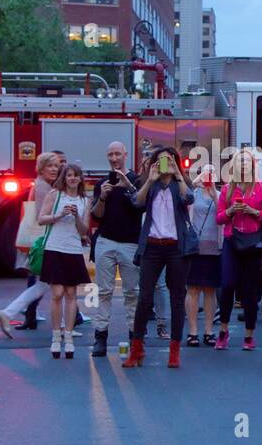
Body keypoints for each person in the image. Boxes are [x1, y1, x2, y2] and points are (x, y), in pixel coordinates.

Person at [126, 147, 196, 369]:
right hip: (153, 247)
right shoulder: (150, 184)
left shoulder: (180, 184)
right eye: (161, 160)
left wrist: (178, 175)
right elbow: (136, 202)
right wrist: (150, 179)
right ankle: (137, 348)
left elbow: (189, 199)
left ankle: (175, 350)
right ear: (154, 163)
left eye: (170, 160)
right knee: (144, 297)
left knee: (177, 297)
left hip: (176, 247)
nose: (165, 164)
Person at [87, 142, 147, 358]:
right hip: (106, 241)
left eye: (117, 154)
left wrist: (127, 186)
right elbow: (97, 216)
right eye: (110, 154)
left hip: (130, 243)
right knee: (104, 292)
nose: (114, 158)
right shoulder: (102, 183)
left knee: (132, 293)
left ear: (125, 155)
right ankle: (100, 337)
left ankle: (134, 338)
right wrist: (102, 196)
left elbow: (142, 206)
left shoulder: (138, 180)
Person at [0, 151, 63, 336]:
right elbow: (43, 217)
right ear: (41, 168)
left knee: (43, 285)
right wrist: (62, 216)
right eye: (50, 165)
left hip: (44, 242)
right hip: (46, 242)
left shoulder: (42, 185)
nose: (54, 169)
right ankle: (64, 326)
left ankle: (8, 313)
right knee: (59, 284)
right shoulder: (43, 187)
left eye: (56, 166)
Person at [215, 151, 262, 351]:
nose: (244, 165)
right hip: (232, 240)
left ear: (253, 166)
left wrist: (253, 212)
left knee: (250, 290)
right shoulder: (228, 189)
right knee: (228, 284)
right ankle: (223, 330)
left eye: (247, 162)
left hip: (253, 243)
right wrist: (230, 211)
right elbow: (219, 218)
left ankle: (249, 334)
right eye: (240, 162)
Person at [37, 162, 91, 360]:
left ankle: (68, 337)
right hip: (54, 246)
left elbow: (84, 231)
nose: (73, 179)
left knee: (71, 293)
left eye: (76, 175)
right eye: (69, 175)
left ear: (80, 179)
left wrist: (76, 216)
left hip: (73, 248)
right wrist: (60, 214)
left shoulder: (85, 200)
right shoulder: (55, 194)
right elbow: (41, 218)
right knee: (57, 293)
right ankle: (55, 336)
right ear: (64, 177)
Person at [185, 164, 221, 347]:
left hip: (214, 247)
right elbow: (185, 202)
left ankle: (208, 331)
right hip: (195, 247)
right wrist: (195, 184)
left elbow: (223, 214)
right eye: (204, 173)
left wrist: (214, 193)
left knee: (210, 290)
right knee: (192, 289)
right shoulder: (194, 194)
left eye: (211, 173)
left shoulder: (220, 194)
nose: (208, 176)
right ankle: (192, 331)